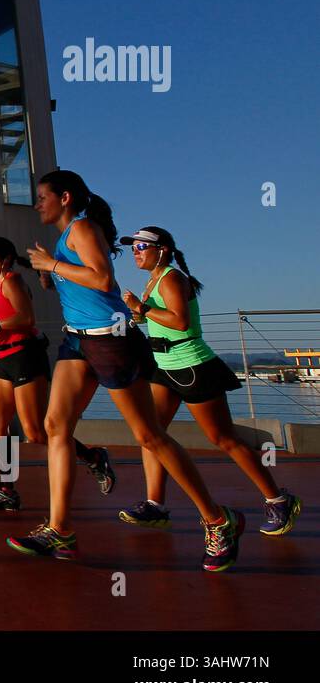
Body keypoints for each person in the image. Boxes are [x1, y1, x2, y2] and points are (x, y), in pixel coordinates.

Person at [8, 170, 245, 572]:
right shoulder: (66, 238)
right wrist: (50, 275)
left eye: (42, 197)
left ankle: (218, 520)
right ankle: (60, 528)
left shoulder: (82, 228)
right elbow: (82, 283)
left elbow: (103, 280)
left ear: (65, 198)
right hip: (77, 340)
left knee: (149, 436)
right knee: (55, 428)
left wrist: (54, 264)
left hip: (111, 341)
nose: (37, 204)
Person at [118, 226, 302, 535]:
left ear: (161, 249)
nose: (135, 252)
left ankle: (279, 500)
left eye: (141, 247)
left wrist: (142, 308)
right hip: (163, 366)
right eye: (133, 247)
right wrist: (137, 314)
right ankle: (155, 505)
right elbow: (156, 319)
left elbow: (180, 320)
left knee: (223, 438)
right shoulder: (152, 282)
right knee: (150, 434)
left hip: (192, 366)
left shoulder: (173, 278)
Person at [0, 236, 116, 511]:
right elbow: (11, 324)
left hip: (26, 358)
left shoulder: (12, 281)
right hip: (6, 360)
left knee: (36, 432)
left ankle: (94, 457)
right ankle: (6, 490)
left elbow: (27, 319)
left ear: (6, 260)